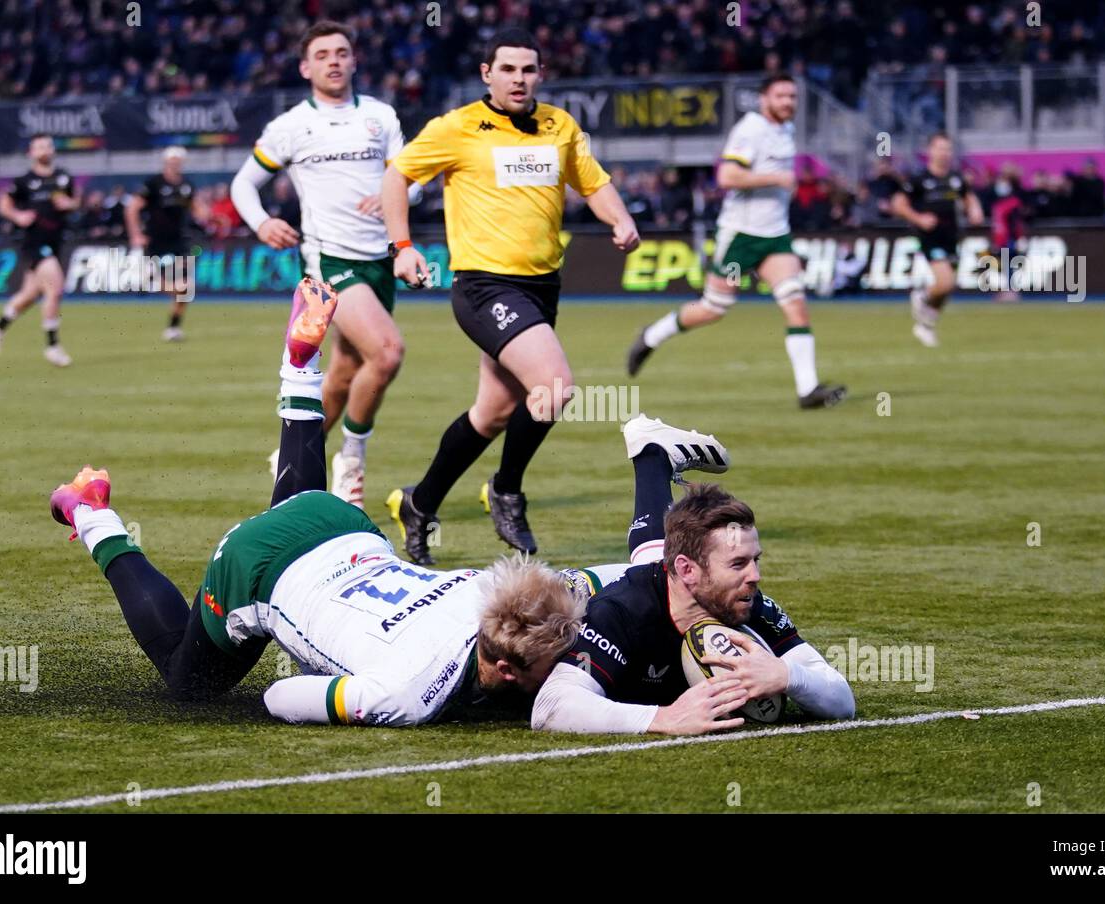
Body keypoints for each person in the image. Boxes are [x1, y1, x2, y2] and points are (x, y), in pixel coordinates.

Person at [49, 278, 734, 726]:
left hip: (340, 527)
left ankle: (298, 366)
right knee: (188, 679)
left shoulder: (516, 599)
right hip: (259, 566)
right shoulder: (408, 693)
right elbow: (277, 696)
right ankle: (93, 514)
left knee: (297, 504)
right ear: (500, 668)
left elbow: (638, 573)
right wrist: (349, 692)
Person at [380, 28, 640, 564]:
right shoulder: (457, 128)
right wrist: (402, 247)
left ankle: (418, 503)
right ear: (486, 74)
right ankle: (506, 489)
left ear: (540, 74)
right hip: (483, 284)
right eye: (508, 70)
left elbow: (592, 183)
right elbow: (397, 175)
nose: (519, 79)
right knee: (554, 387)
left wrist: (621, 219)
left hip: (542, 285)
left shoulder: (558, 125)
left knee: (493, 412)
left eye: (528, 70)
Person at [530, 425, 856, 734]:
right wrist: (662, 717)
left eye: (755, 560)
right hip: (573, 588)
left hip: (675, 577)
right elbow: (549, 706)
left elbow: (842, 701)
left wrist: (788, 676)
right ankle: (651, 456)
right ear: (688, 570)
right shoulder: (621, 612)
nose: (755, 577)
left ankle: (652, 455)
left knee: (664, 554)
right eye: (738, 564)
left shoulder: (746, 602)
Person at [232, 20, 421, 510]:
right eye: (322, 55)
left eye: (341, 52)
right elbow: (242, 184)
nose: (333, 61)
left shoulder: (380, 116)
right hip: (328, 260)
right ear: (305, 67)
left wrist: (393, 195)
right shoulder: (292, 125)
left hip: (380, 260)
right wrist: (260, 223)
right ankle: (351, 464)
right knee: (387, 352)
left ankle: (290, 457)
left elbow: (413, 179)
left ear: (354, 60)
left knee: (343, 372)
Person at [627, 75, 846, 410]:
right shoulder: (750, 130)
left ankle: (808, 390)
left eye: (792, 96)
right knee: (714, 308)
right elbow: (727, 177)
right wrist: (775, 177)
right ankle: (651, 336)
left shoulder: (784, 130)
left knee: (795, 303)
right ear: (763, 99)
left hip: (775, 237)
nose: (789, 102)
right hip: (741, 238)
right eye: (781, 96)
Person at [0, 134, 80, 366]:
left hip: (56, 240)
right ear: (31, 153)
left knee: (30, 295)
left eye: (48, 145)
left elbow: (75, 201)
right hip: (36, 242)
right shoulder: (23, 181)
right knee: (55, 289)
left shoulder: (63, 177)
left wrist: (69, 204)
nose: (44, 150)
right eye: (39, 147)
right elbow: (4, 204)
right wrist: (17, 215)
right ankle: (52, 346)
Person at [889, 132, 984, 348]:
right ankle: (922, 296)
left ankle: (926, 325)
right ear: (930, 151)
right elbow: (898, 203)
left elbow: (969, 198)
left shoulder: (956, 179)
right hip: (930, 237)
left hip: (952, 237)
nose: (944, 153)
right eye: (940, 148)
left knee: (946, 289)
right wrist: (918, 218)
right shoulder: (919, 179)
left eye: (948, 149)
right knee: (945, 281)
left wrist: (975, 211)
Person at [125, 146, 197, 341]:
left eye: (178, 159)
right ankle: (151, 282)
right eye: (171, 159)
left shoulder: (187, 186)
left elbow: (196, 209)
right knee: (168, 282)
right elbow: (132, 209)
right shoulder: (153, 183)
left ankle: (173, 326)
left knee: (185, 287)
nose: (175, 163)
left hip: (178, 241)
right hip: (155, 241)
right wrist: (136, 235)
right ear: (166, 162)